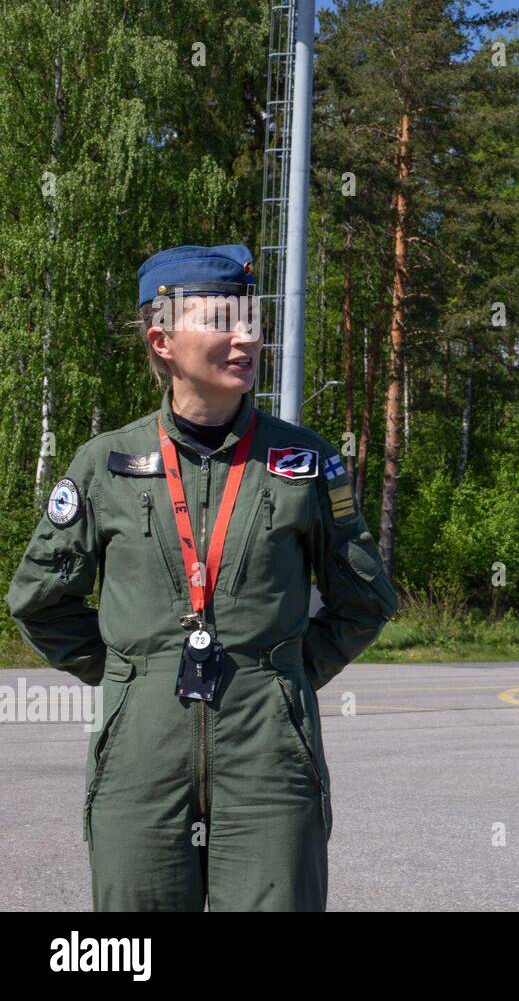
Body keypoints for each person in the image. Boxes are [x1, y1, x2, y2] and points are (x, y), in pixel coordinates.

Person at [5, 243, 399, 911]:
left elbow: (366, 599)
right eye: (223, 319)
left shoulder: (304, 461)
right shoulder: (105, 465)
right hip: (139, 760)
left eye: (252, 318)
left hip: (271, 759)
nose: (248, 335)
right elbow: (39, 599)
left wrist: (284, 675)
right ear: (163, 339)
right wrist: (131, 676)